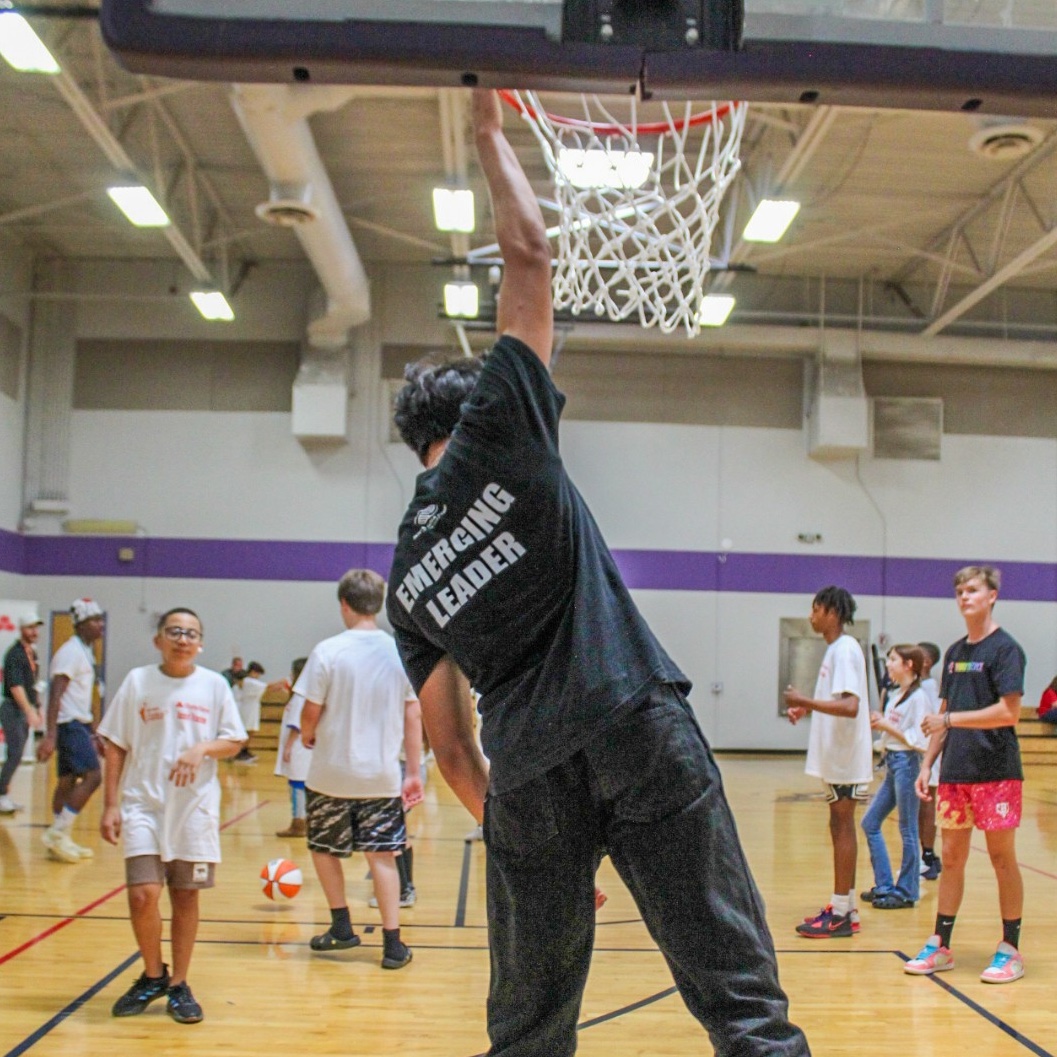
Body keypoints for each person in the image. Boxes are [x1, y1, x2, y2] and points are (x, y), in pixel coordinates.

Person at [386, 89, 809, 1057]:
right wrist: (489, 134)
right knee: (739, 997)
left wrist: (538, 840)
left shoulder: (406, 578)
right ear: (479, 406)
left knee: (530, 1028)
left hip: (528, 775)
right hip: (633, 724)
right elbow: (531, 257)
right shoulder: (503, 428)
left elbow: (451, 751)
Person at [99, 607, 247, 1024]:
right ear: (159, 640)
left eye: (191, 633)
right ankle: (152, 974)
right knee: (142, 894)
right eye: (174, 631)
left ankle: (179, 983)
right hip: (142, 804)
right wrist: (111, 804)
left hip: (193, 811)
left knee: (185, 896)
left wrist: (201, 749)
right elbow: (115, 744)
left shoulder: (215, 686)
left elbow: (235, 739)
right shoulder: (137, 682)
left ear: (201, 643)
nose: (183, 639)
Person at [295, 569, 423, 971]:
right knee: (382, 858)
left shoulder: (328, 651)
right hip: (380, 776)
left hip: (330, 775)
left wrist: (308, 734)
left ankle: (341, 927)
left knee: (324, 850)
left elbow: (310, 710)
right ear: (379, 604)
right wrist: (414, 772)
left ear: (344, 604)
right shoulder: (397, 652)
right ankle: (392, 944)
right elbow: (413, 714)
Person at [906, 565, 1027, 984]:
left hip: (996, 772)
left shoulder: (1006, 649)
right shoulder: (955, 652)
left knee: (1000, 858)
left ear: (992, 595)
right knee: (952, 858)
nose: (964, 597)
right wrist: (926, 764)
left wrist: (951, 721)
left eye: (973, 590)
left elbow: (1008, 712)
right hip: (955, 773)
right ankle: (940, 945)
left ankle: (1010, 948)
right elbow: (942, 718)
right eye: (959, 591)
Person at [784, 586, 871, 938]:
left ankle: (838, 914)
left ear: (831, 612)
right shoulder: (837, 650)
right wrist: (808, 706)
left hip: (846, 757)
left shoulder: (846, 649)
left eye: (815, 608)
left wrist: (805, 698)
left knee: (843, 826)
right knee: (838, 827)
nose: (811, 615)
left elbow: (851, 707)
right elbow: (838, 700)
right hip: (839, 757)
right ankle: (846, 909)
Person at [859, 644, 930, 909]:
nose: (888, 664)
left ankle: (907, 891)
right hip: (892, 761)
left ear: (908, 665)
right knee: (870, 822)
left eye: (893, 660)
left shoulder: (919, 698)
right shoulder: (895, 695)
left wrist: (887, 725)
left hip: (908, 763)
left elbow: (919, 739)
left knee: (907, 828)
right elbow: (892, 730)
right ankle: (885, 885)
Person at [37, 598, 106, 862]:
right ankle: (58, 831)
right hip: (68, 724)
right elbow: (56, 694)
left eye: (101, 619)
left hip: (78, 724)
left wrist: (94, 731)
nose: (100, 625)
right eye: (94, 621)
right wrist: (51, 734)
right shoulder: (70, 652)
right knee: (93, 777)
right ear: (80, 624)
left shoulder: (85, 651)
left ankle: (60, 839)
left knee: (67, 780)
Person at [1, 613, 46, 814]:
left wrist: (38, 707)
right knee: (15, 753)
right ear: (21, 630)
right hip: (13, 709)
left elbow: (32, 685)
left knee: (17, 754)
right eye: (30, 628)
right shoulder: (15, 655)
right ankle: (1, 794)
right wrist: (29, 711)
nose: (34, 632)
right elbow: (16, 686)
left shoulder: (32, 655)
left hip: (24, 709)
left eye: (36, 627)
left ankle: (4, 793)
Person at [275, 657, 310, 838]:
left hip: (298, 748)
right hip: (303, 749)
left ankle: (298, 824)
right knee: (301, 785)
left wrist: (288, 747)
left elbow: (296, 724)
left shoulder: (300, 696)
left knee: (297, 786)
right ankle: (304, 820)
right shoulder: (303, 693)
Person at [917, 641, 943, 879]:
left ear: (926, 661)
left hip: (928, 752)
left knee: (927, 804)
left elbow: (934, 724)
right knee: (919, 806)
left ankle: (927, 854)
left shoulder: (930, 687)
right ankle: (925, 854)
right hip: (915, 752)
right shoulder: (915, 686)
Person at [233, 661, 267, 763]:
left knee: (251, 731)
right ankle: (238, 752)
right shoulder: (244, 684)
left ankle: (244, 751)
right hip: (242, 710)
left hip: (250, 709)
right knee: (244, 732)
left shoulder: (250, 684)